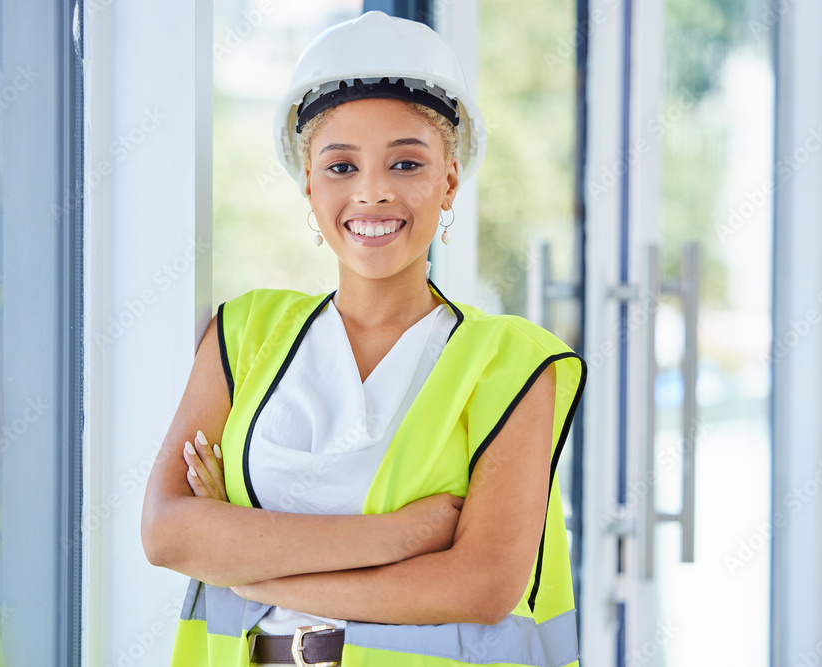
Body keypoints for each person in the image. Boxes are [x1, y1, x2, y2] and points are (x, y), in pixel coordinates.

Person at [141, 11, 587, 667]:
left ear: (450, 181)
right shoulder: (243, 334)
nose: (373, 191)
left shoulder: (512, 362)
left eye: (406, 162)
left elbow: (485, 583)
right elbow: (167, 531)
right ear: (309, 185)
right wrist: (401, 535)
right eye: (341, 165)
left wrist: (253, 565)